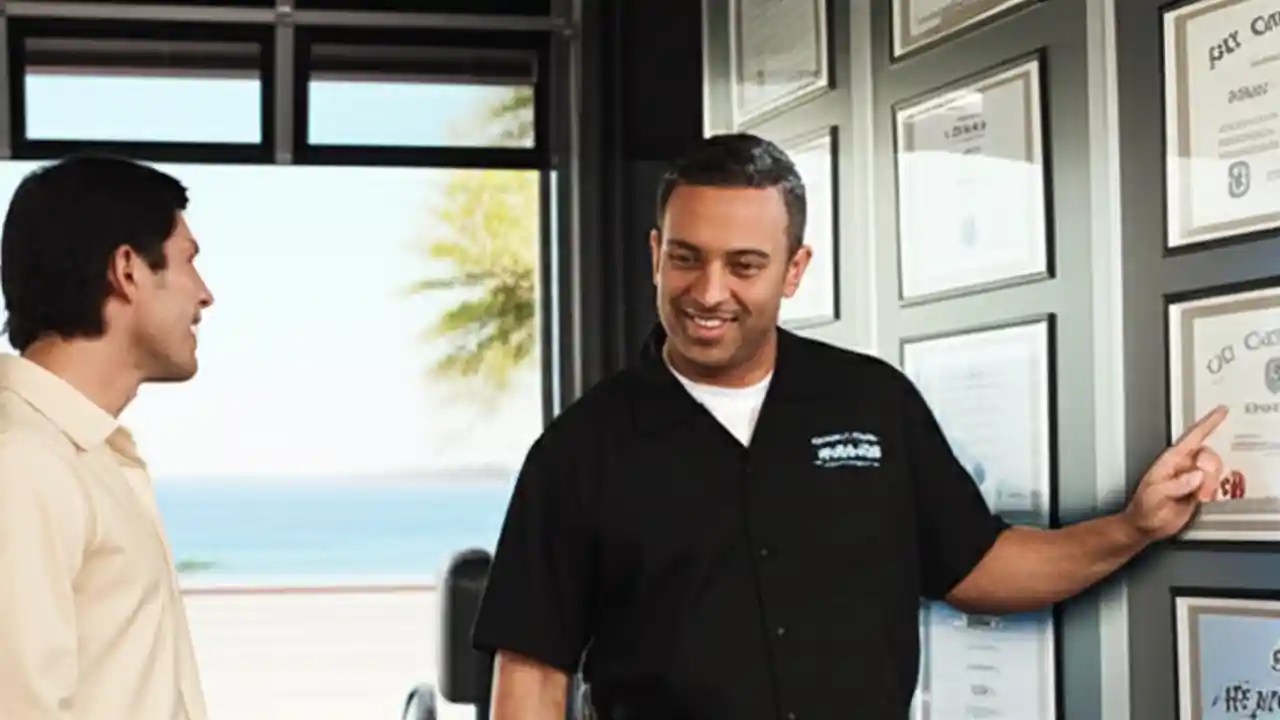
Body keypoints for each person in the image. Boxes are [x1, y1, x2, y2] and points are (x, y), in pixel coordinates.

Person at [470, 133, 1226, 719]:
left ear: (794, 270)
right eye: (685, 259)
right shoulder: (579, 452)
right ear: (654, 254)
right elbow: (533, 674)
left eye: (744, 265)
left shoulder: (871, 404)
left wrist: (1133, 527)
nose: (708, 292)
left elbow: (977, 565)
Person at [0, 154, 214, 719]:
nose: (205, 295)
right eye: (188, 262)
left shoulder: (86, 451)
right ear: (127, 270)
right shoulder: (22, 459)